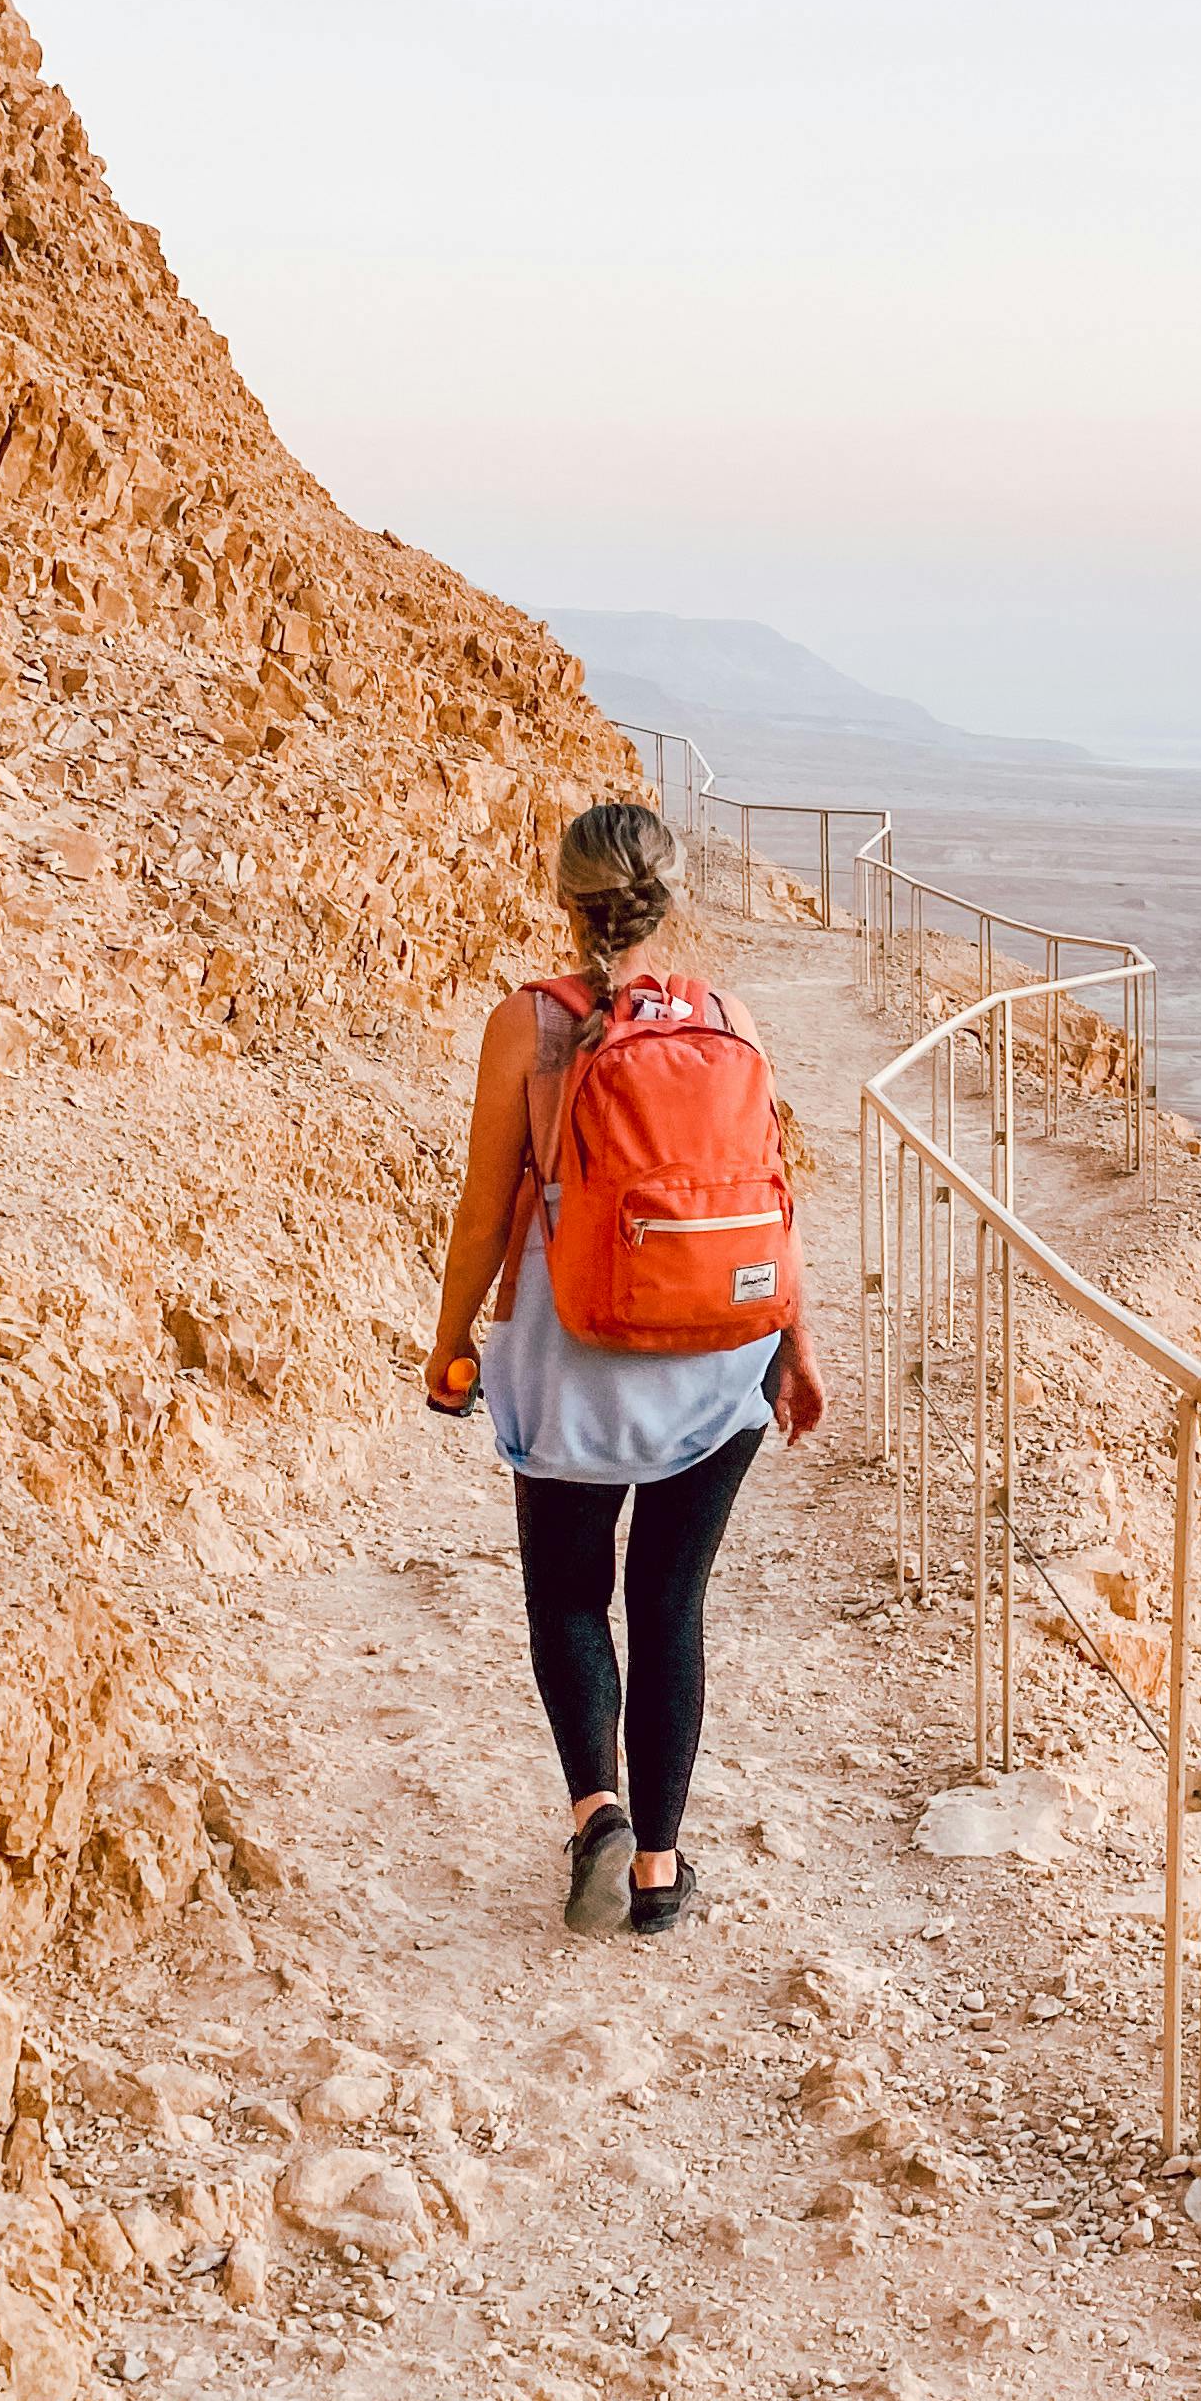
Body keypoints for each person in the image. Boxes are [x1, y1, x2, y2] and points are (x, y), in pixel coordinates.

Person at [425, 803, 824, 1938]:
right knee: (670, 1600)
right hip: (720, 1357)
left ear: (565, 897)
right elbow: (773, 1201)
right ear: (668, 897)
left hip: (577, 1354)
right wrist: (794, 1350)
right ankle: (657, 1869)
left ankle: (596, 1810)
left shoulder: (532, 1023)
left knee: (566, 1593)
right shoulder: (728, 1015)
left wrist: (453, 1346)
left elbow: (483, 1214)